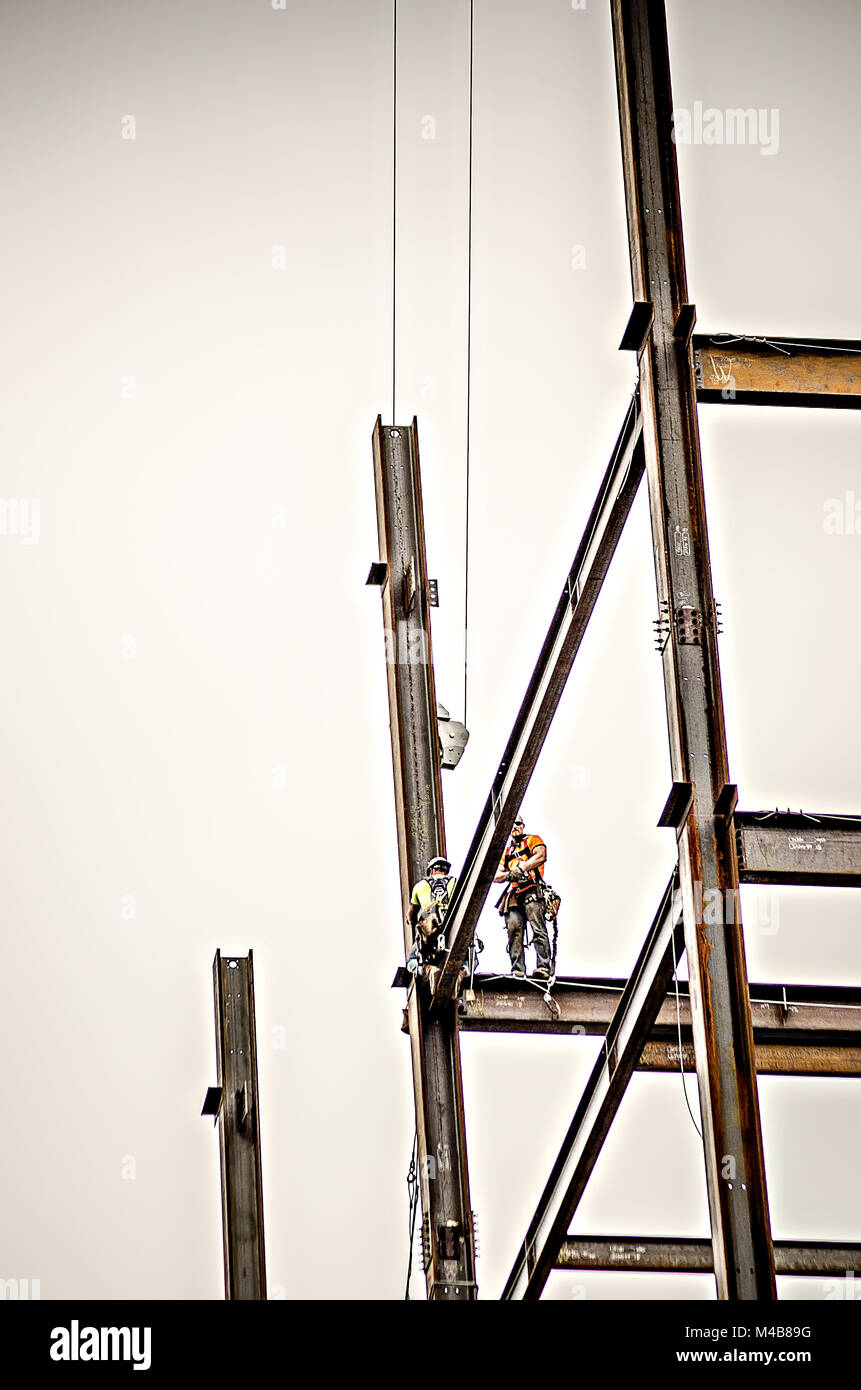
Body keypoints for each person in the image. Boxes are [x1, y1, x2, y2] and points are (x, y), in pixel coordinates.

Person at [493, 815, 552, 980]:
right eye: (511, 823)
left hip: (532, 890)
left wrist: (523, 867)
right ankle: (517, 970)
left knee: (538, 929)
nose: (514, 826)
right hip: (515, 895)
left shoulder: (532, 840)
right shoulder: (507, 852)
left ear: (523, 825)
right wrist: (508, 875)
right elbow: (495, 874)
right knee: (514, 930)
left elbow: (541, 855)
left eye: (517, 823)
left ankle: (543, 967)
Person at [406, 856, 456, 972]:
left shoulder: (419, 886)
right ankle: (463, 971)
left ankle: (428, 970)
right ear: (446, 870)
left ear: (432, 870)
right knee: (471, 959)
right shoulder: (456, 882)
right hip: (454, 925)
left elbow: (412, 913)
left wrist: (411, 921)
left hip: (431, 930)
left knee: (412, 959)